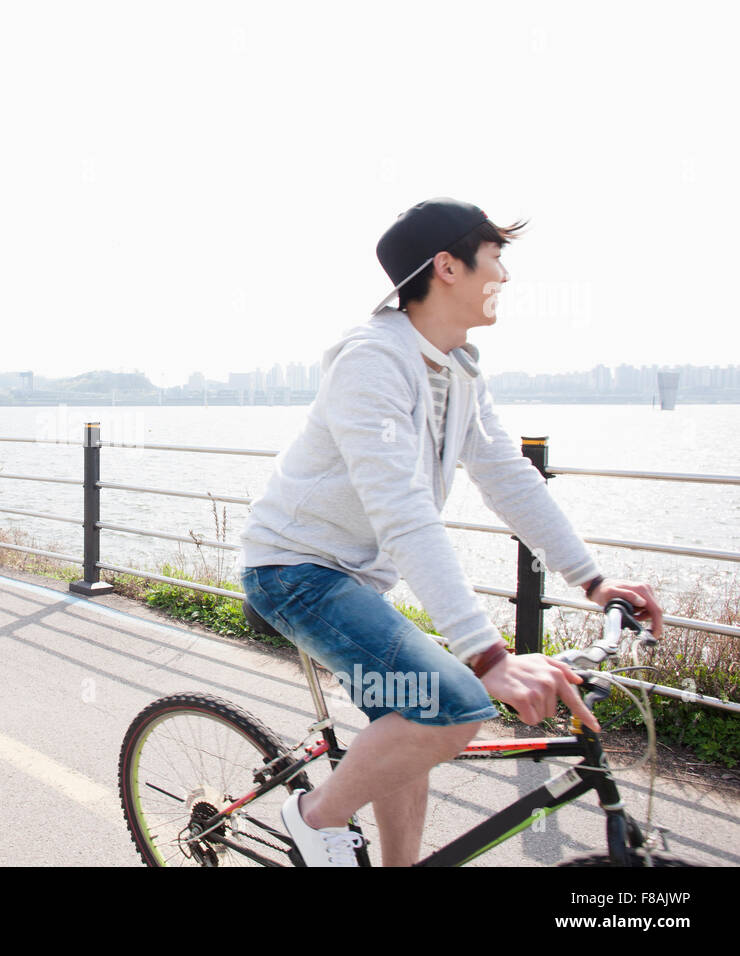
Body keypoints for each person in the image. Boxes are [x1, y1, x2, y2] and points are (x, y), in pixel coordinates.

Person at [240, 198, 663, 867]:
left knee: (411, 721)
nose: (504, 275)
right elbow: (403, 510)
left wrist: (593, 579)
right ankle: (314, 815)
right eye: (494, 257)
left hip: (357, 580)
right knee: (455, 702)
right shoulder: (372, 363)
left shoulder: (458, 366)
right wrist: (488, 658)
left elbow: (507, 476)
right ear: (447, 267)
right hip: (297, 572)